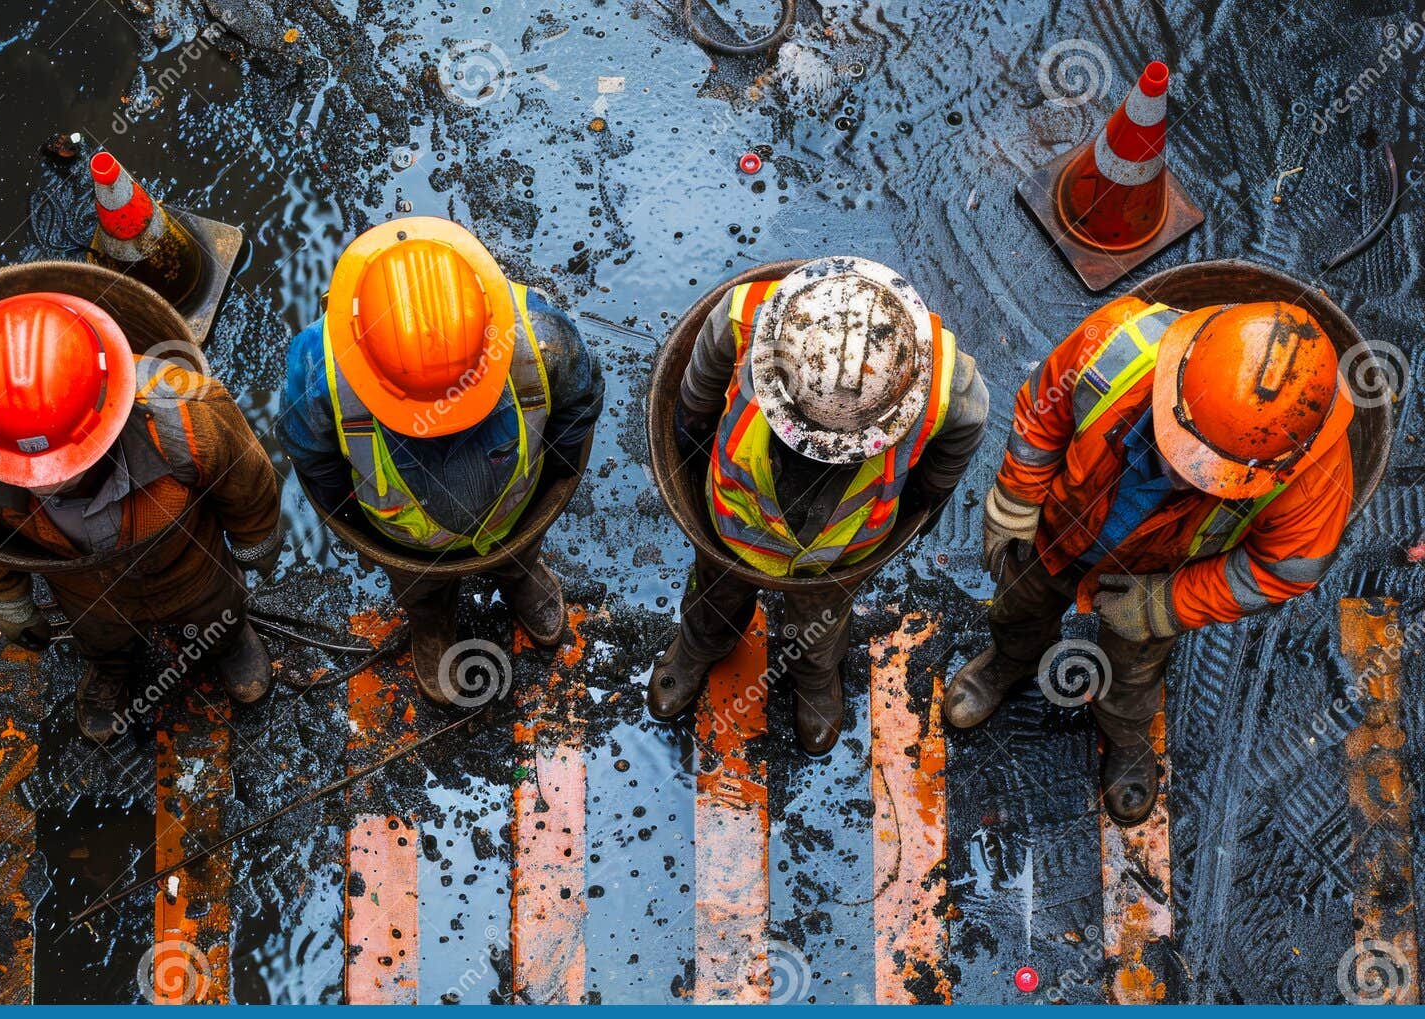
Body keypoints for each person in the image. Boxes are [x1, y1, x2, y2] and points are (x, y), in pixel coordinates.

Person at [944, 297, 1355, 824]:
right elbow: (1042, 413)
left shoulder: (1314, 475)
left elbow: (1280, 571)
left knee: (1133, 673)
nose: (1187, 477)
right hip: (1058, 532)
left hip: (1157, 577)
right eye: (1183, 451)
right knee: (1017, 610)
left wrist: (1168, 604)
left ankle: (1126, 734)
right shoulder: (1118, 342)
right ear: (1176, 379)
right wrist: (1017, 502)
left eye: (1213, 475)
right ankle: (1011, 660)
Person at [647, 257, 989, 755]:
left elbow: (963, 432)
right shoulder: (747, 316)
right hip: (734, 527)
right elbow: (696, 395)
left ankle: (813, 675)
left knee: (819, 622)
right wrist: (691, 432)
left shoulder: (943, 379)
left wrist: (929, 491)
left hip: (838, 555)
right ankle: (700, 646)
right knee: (714, 595)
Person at [0, 292, 282, 742]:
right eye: (28, 469)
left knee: (217, 611)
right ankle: (111, 668)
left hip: (190, 566)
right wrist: (8, 604)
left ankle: (229, 643)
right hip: (86, 592)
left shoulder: (182, 418)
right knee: (100, 636)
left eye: (61, 465)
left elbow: (247, 483)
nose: (44, 480)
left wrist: (257, 543)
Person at [278, 216, 602, 702]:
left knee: (517, 554)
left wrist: (545, 499)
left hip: (514, 519)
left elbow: (578, 410)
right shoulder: (319, 369)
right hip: (405, 543)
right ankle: (430, 615)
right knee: (420, 588)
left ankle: (520, 575)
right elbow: (314, 461)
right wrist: (362, 531)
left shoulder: (541, 338)